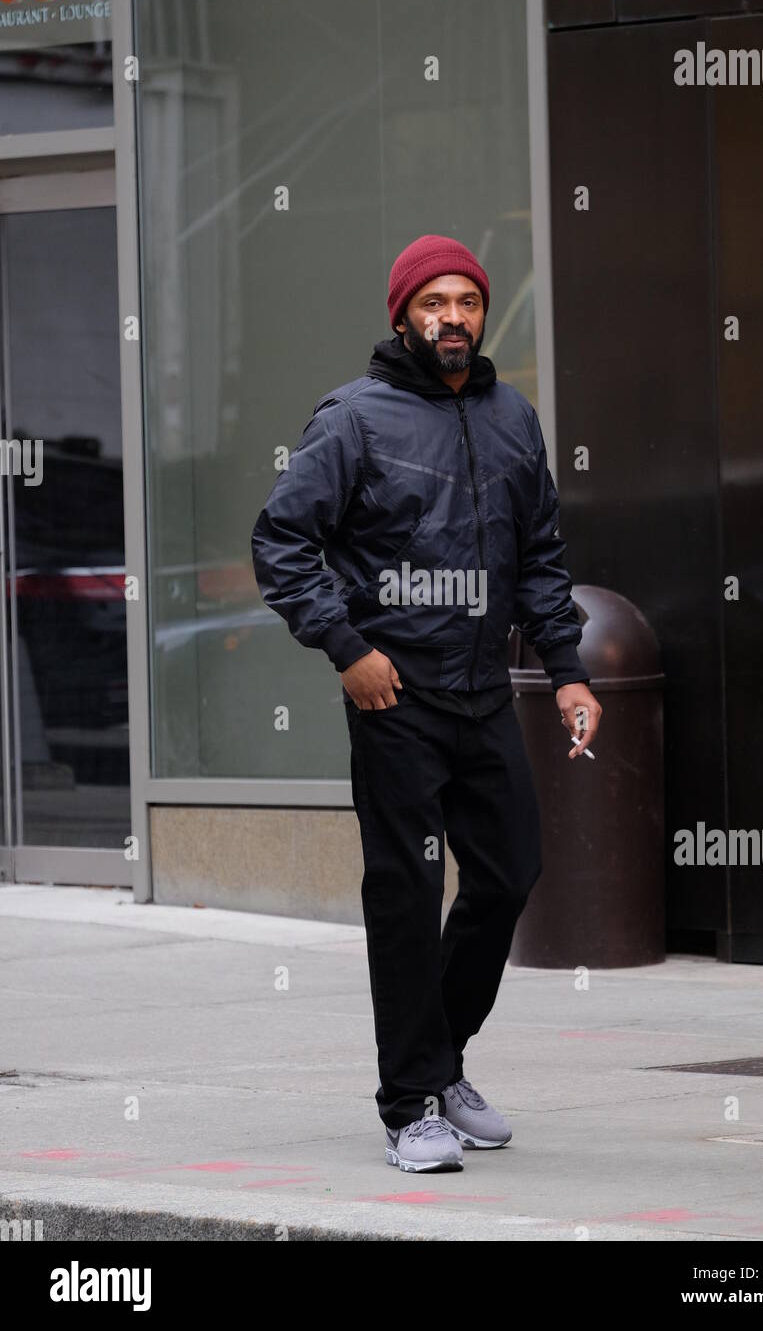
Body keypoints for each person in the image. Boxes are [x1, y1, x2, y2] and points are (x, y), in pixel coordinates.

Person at [251, 233, 601, 1173]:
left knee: (509, 874)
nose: (454, 318)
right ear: (404, 314)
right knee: (406, 896)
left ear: (484, 316)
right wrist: (347, 649)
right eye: (435, 303)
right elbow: (283, 542)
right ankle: (410, 1102)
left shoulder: (511, 417)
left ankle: (440, 1064)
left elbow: (539, 557)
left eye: (469, 302)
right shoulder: (354, 419)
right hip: (395, 697)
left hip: (485, 695)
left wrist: (566, 667)